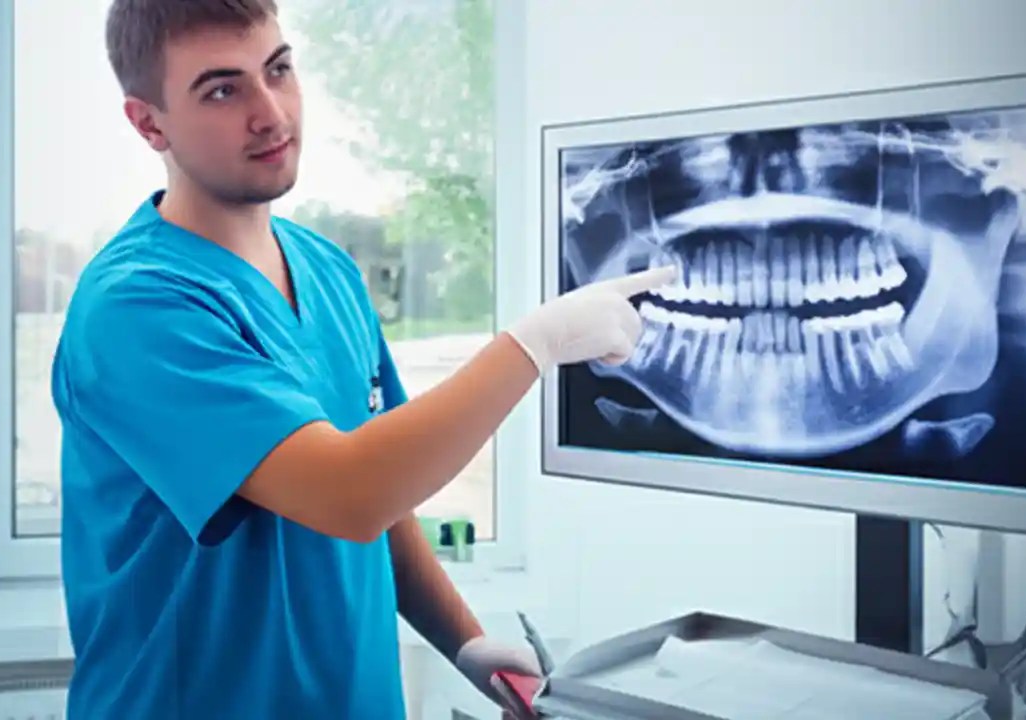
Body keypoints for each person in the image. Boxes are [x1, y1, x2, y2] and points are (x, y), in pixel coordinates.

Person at [49, 1, 675, 718]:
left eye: (278, 70)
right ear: (149, 123)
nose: (271, 114)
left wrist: (466, 642)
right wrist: (537, 344)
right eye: (222, 90)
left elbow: (386, 489)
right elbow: (350, 492)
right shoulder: (136, 307)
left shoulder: (327, 271)